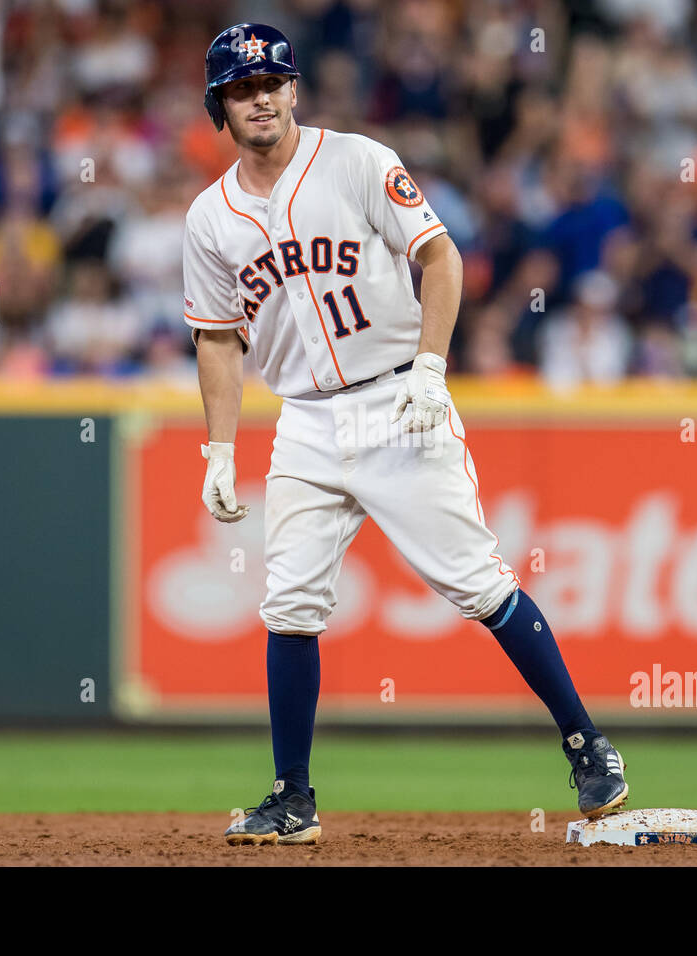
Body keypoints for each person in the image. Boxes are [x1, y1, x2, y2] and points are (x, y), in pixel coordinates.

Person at [183, 23, 629, 847]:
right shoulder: (210, 218)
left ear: (294, 88)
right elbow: (217, 337)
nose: (262, 98)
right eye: (243, 89)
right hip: (305, 420)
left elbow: (441, 257)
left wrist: (431, 366)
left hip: (397, 401)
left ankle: (587, 743)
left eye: (273, 81)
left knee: (480, 586)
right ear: (221, 105)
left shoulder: (355, 160)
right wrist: (219, 447)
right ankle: (293, 798)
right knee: (289, 607)